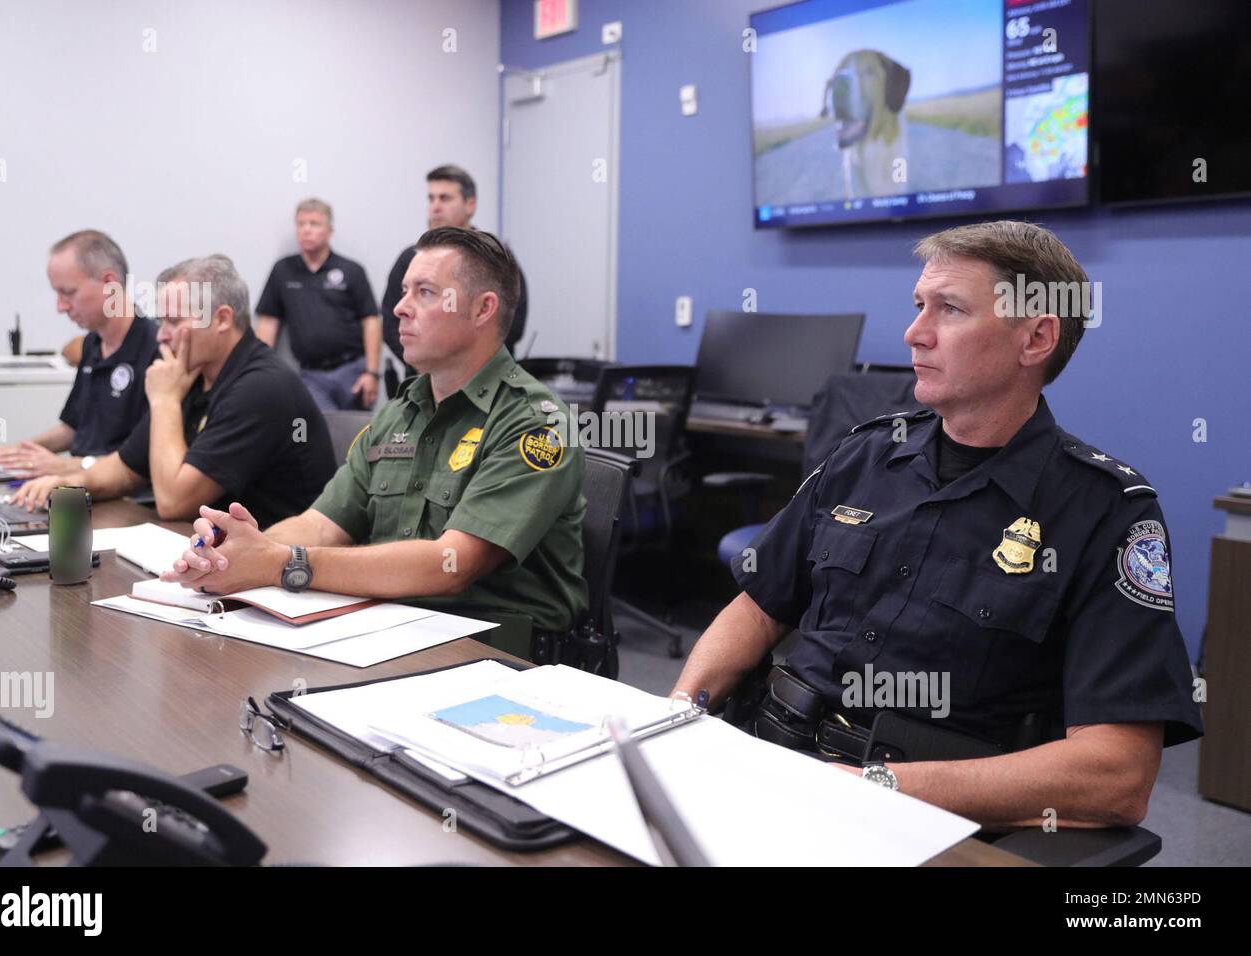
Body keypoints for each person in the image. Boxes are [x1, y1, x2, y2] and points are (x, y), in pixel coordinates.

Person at [673, 220, 1201, 830]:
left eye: (949, 309)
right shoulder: (865, 454)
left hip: (920, 815)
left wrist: (867, 786)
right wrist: (681, 712)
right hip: (772, 761)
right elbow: (758, 606)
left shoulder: (1107, 510)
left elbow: (1117, 776)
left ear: (1035, 339)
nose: (914, 333)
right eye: (920, 306)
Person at [161, 228, 584, 656]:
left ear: (482, 309)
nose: (399, 308)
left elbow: (450, 566)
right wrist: (240, 550)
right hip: (394, 630)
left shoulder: (535, 424)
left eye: (425, 292)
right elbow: (322, 524)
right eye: (404, 291)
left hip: (499, 654)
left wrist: (283, 563)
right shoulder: (401, 412)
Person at [12, 255, 336, 527]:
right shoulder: (193, 374)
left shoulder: (261, 386)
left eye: (173, 321)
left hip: (277, 577)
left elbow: (173, 502)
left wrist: (165, 400)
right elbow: (125, 468)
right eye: (161, 321)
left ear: (222, 319)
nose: (161, 336)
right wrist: (69, 485)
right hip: (211, 552)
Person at [0, 230, 158, 476]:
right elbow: (73, 429)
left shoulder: (156, 350)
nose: (60, 307)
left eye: (68, 293)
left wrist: (71, 466)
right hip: (81, 483)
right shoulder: (93, 344)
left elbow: (144, 458)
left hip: (125, 496)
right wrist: (9, 453)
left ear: (110, 285)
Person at [381, 165, 528, 383]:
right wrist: (424, 362)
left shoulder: (496, 258)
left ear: (470, 204)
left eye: (445, 198)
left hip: (486, 383)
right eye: (431, 199)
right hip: (424, 382)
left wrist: (459, 365)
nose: (435, 207)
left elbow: (511, 325)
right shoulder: (411, 259)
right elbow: (392, 323)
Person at [255, 199, 382, 411]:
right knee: (322, 435)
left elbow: (371, 322)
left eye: (314, 224)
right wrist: (258, 372)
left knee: (357, 438)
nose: (306, 230)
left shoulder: (351, 270)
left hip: (353, 371)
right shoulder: (283, 270)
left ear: (329, 230)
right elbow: (267, 324)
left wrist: (371, 372)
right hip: (311, 376)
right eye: (301, 224)